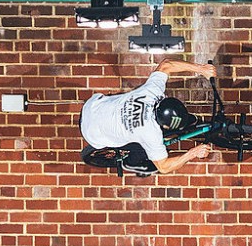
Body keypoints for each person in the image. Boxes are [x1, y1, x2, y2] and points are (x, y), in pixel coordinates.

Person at [80, 59, 218, 177]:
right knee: (142, 149)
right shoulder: (150, 134)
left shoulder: (151, 91)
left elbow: (166, 65)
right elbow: (163, 167)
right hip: (92, 133)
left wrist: (201, 69)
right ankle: (131, 163)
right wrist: (192, 153)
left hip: (92, 106)